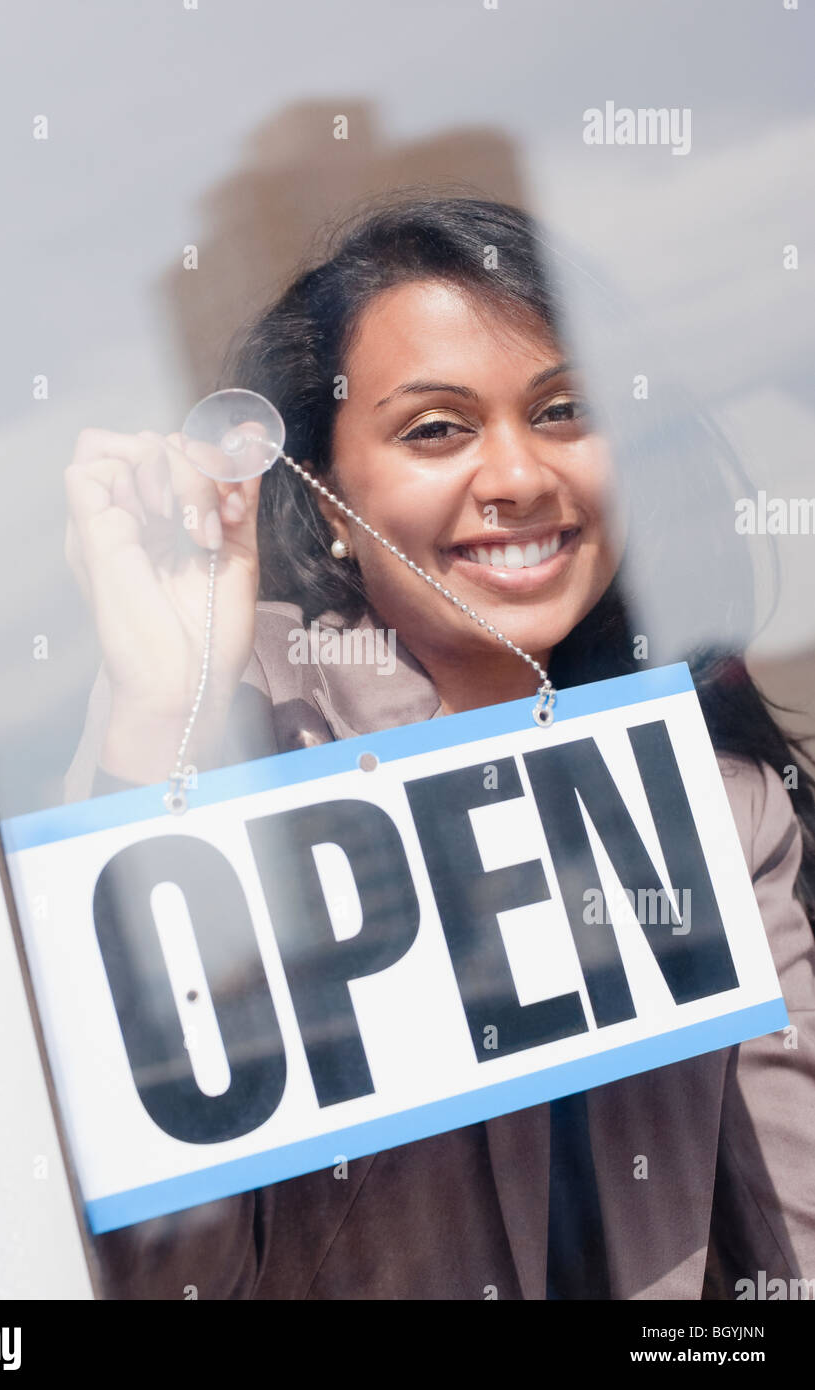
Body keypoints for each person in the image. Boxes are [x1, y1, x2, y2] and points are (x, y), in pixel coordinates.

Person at [62, 195, 815, 1300]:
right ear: (325, 495)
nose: (518, 476)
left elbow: (789, 1233)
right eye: (435, 429)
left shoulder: (713, 797)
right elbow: (149, 1271)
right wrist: (155, 721)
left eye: (562, 411)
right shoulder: (227, 743)